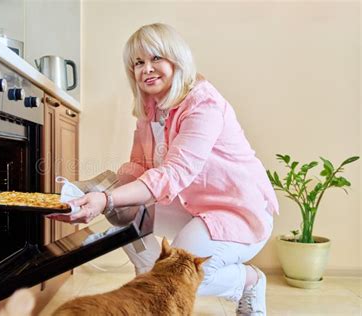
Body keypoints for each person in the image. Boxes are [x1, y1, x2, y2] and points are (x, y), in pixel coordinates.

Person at [49, 23, 278, 316]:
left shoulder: (202, 105)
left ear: (176, 59)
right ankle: (151, 301)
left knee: (181, 272)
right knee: (130, 222)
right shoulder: (151, 108)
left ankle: (249, 280)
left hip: (235, 211)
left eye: (156, 58)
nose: (147, 69)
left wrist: (107, 199)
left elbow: (173, 174)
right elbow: (139, 168)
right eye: (138, 63)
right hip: (190, 205)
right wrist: (92, 190)